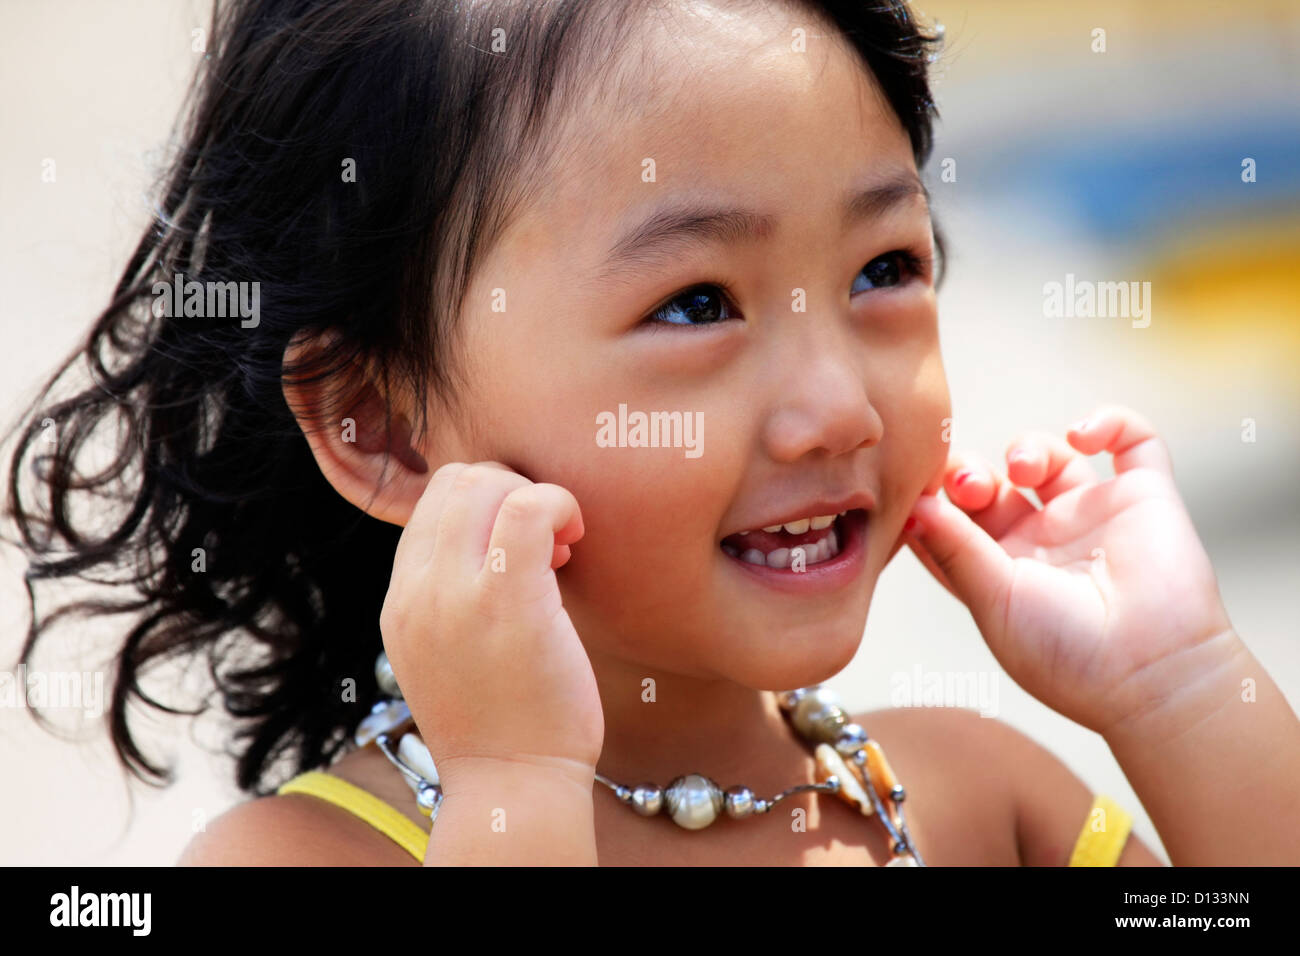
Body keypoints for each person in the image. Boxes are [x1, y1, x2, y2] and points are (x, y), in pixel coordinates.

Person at [6, 0, 1296, 867]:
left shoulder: (972, 803)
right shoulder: (297, 859)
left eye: (883, 269)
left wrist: (1177, 690)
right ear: (382, 426)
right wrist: (513, 784)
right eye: (697, 303)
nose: (838, 405)